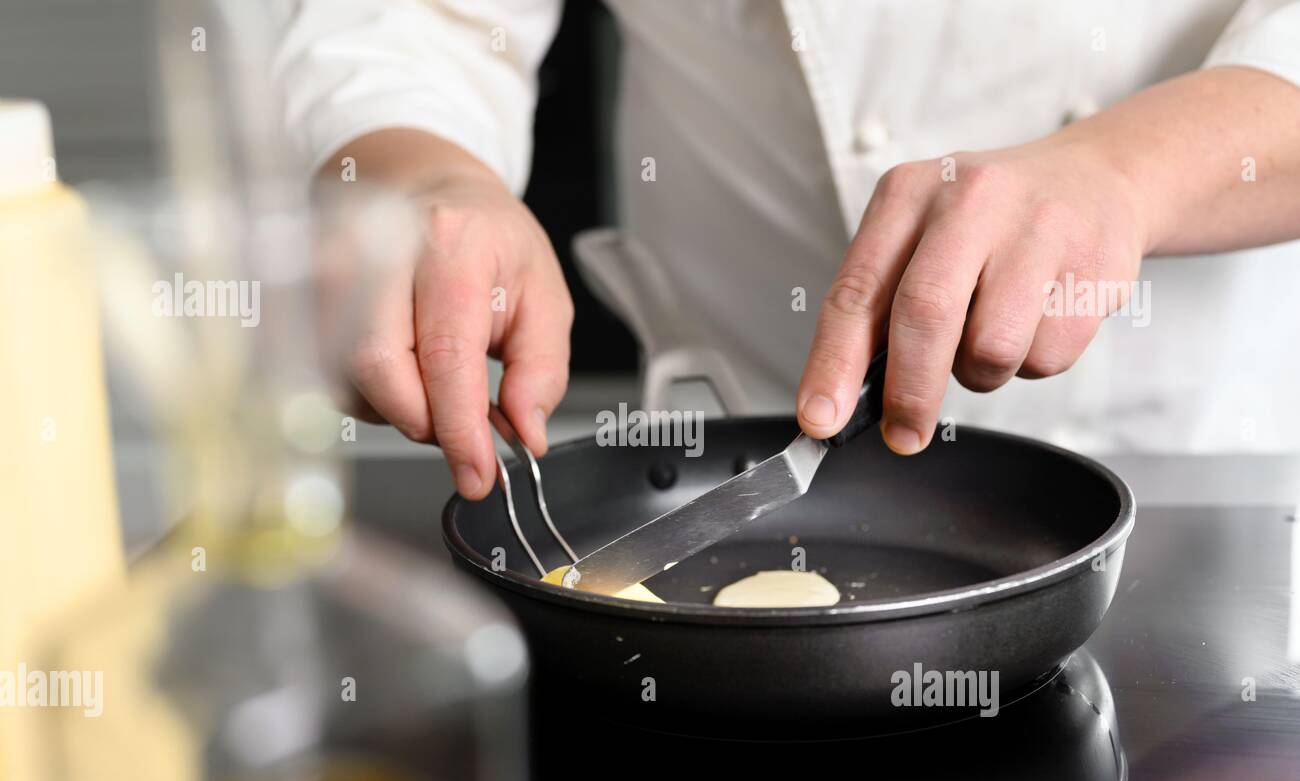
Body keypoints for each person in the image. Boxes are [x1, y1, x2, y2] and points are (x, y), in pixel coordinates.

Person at [268, 0, 1300, 500]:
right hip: (736, 439)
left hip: (1209, 458)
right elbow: (411, 24)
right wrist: (422, 177)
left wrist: (1123, 175)